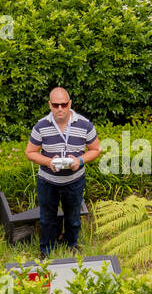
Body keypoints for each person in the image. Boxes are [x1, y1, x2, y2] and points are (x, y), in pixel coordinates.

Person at [25, 87, 101, 259]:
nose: (60, 108)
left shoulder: (85, 124)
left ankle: (72, 245)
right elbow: (30, 152)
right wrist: (48, 162)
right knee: (47, 218)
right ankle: (47, 250)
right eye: (55, 105)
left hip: (74, 180)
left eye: (64, 104)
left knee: (73, 217)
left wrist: (80, 161)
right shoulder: (41, 126)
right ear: (49, 105)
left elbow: (95, 149)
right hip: (47, 181)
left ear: (70, 104)